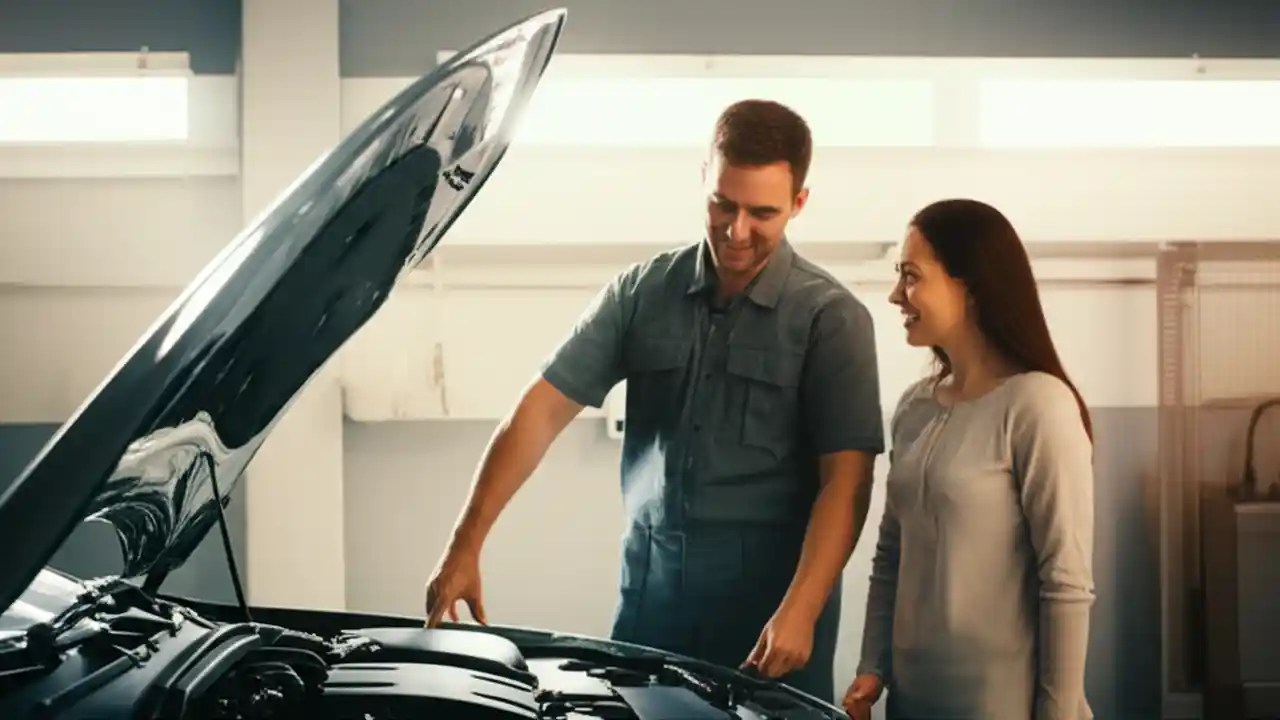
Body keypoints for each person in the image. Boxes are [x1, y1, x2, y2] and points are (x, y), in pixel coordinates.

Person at [422, 98, 885, 701]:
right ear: (703, 179)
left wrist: (802, 608)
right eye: (724, 203)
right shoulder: (640, 294)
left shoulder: (832, 319)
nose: (737, 229)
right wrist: (466, 543)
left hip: (770, 616)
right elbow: (537, 412)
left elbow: (846, 484)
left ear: (799, 203)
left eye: (762, 212)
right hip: (652, 606)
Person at [841, 198, 1096, 720]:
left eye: (911, 277)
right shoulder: (914, 407)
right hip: (911, 703)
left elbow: (1066, 581)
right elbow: (891, 554)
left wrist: (1059, 712)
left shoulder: (1038, 405)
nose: (896, 295)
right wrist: (873, 666)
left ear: (971, 288)